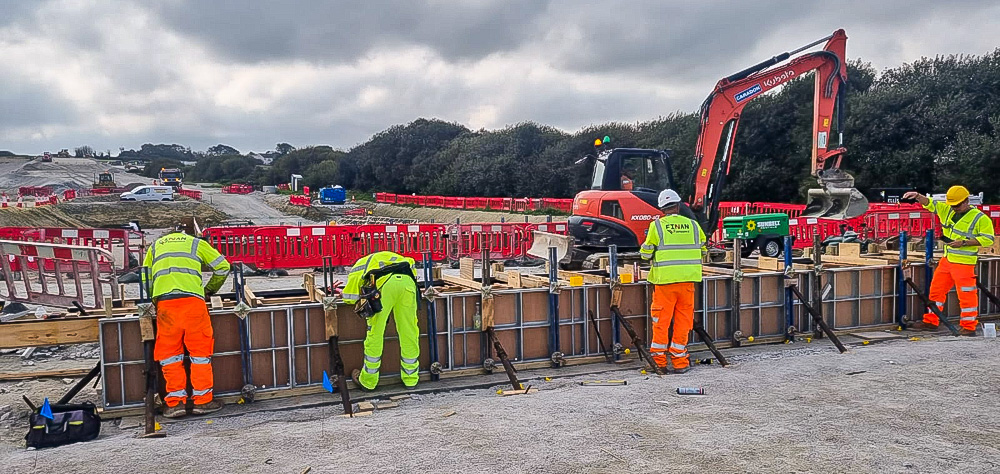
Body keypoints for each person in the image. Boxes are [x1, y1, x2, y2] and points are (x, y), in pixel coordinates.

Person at [143, 222, 231, 418]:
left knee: (169, 355)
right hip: (193, 303)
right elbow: (223, 266)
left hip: (165, 305)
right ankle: (203, 401)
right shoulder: (196, 244)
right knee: (200, 354)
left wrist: (153, 297)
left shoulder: (155, 246)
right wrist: (210, 289)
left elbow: (145, 276)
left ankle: (175, 404)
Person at [903, 186, 994, 335]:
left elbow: (988, 239)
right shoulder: (948, 210)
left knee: (966, 295)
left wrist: (964, 242)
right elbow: (931, 203)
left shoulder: (980, 218)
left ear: (966, 201)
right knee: (936, 291)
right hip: (947, 260)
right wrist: (918, 196)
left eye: (957, 205)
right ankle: (931, 321)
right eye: (952, 205)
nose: (955, 208)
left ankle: (968, 326)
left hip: (964, 263)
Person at [638, 189, 706, 374]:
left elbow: (645, 254)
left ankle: (659, 362)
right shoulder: (693, 225)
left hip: (665, 282)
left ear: (661, 209)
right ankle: (680, 362)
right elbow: (703, 250)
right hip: (688, 282)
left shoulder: (657, 226)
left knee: (661, 321)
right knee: (684, 321)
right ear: (678, 206)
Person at [337, 251, 420, 390]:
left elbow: (350, 298)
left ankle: (368, 381)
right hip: (408, 284)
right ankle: (411, 379)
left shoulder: (360, 264)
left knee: (375, 333)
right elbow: (413, 273)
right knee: (409, 332)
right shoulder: (393, 257)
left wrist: (341, 292)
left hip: (383, 287)